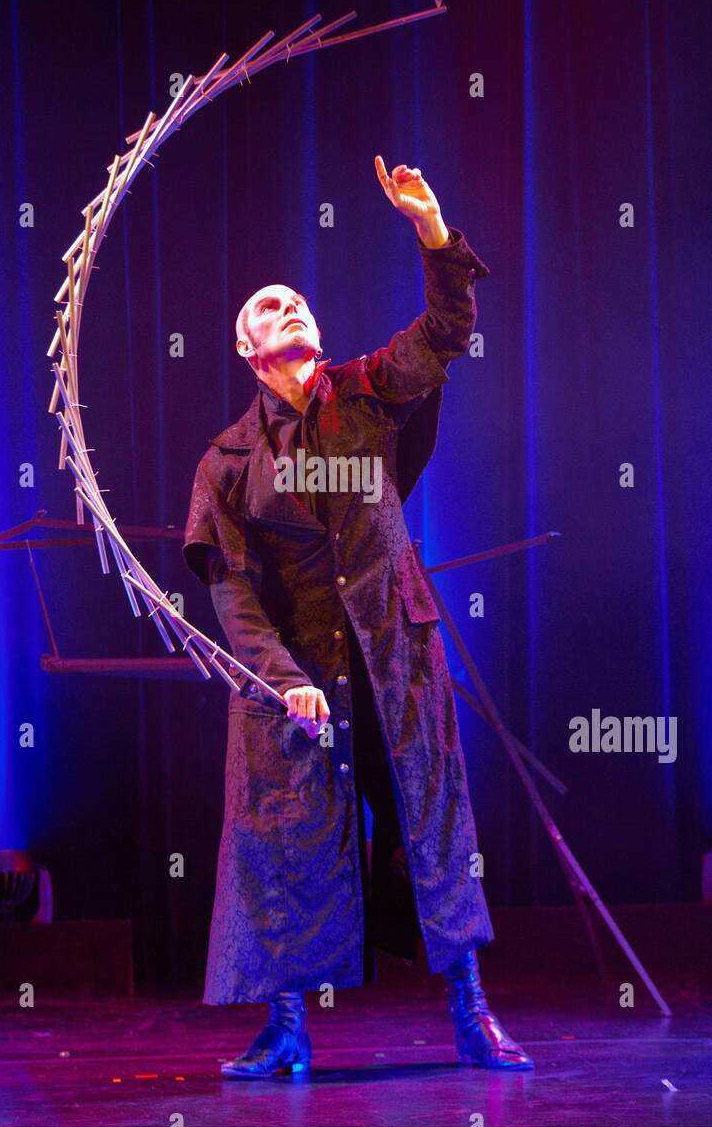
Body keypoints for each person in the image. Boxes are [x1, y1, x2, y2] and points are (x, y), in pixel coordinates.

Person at [182, 156, 533, 1076]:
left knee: (431, 819)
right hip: (291, 674)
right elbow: (231, 587)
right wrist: (283, 681)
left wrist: (428, 224)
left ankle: (471, 1014)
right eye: (267, 309)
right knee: (278, 838)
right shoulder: (226, 460)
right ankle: (285, 1030)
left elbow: (446, 330)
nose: (287, 307)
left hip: (391, 652)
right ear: (246, 352)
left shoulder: (366, 393)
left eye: (296, 301)